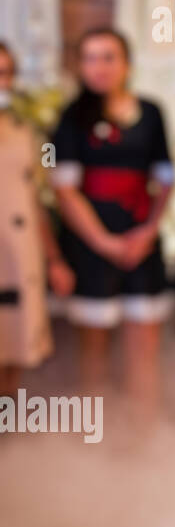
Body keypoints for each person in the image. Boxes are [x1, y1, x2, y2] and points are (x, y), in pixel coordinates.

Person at [50, 29, 173, 421]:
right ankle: (94, 437)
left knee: (145, 342)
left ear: (126, 64)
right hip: (91, 238)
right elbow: (64, 190)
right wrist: (103, 242)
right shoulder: (70, 118)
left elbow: (166, 179)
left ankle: (144, 429)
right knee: (94, 347)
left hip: (140, 233)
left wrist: (149, 230)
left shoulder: (152, 113)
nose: (99, 67)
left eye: (108, 57)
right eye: (90, 58)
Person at [0, 42, 73, 401]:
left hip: (18, 256)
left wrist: (54, 259)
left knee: (14, 351)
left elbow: (35, 199)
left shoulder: (23, 130)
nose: (3, 82)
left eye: (7, 73)